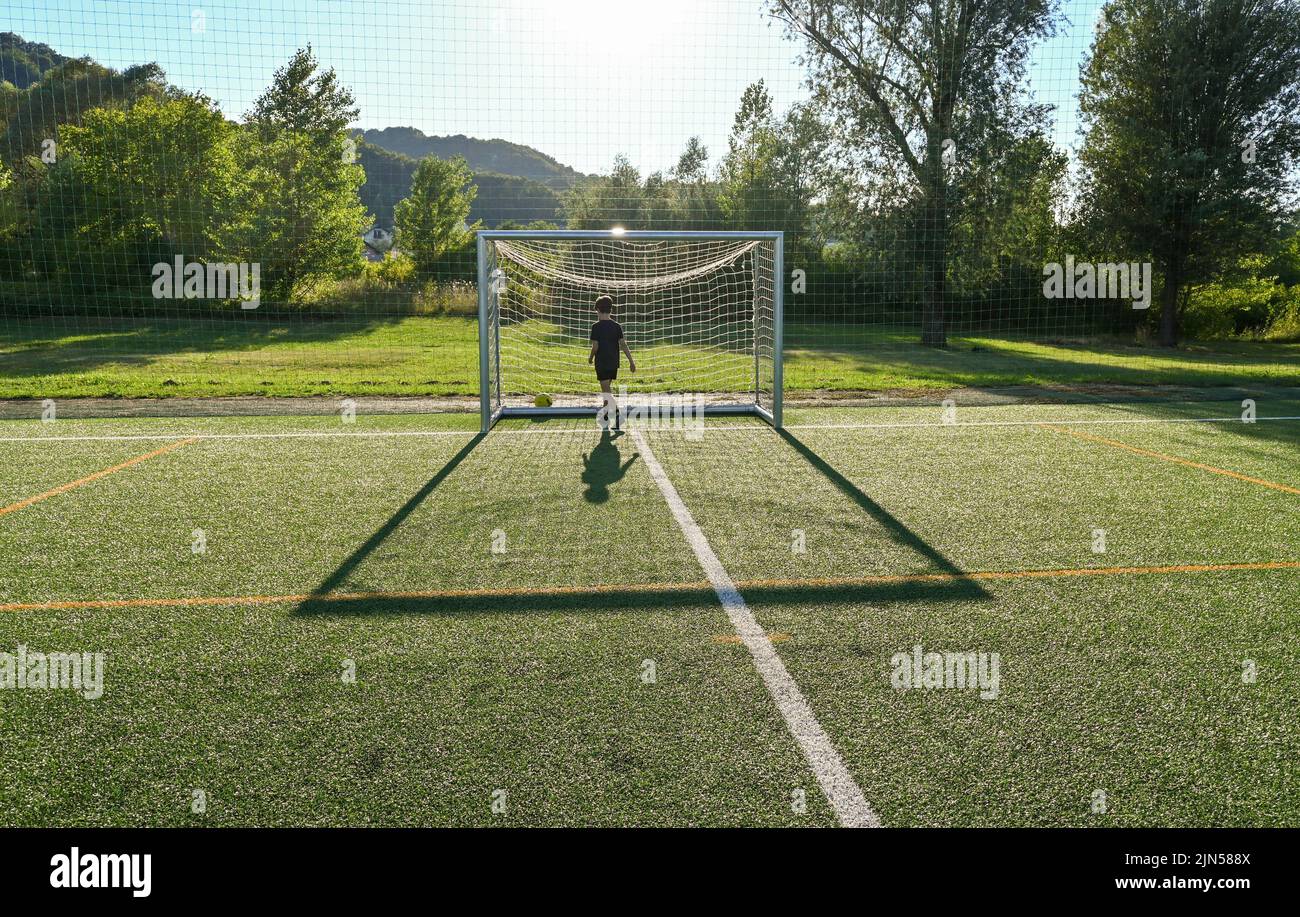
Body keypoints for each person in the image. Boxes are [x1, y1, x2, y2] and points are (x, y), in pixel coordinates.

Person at [587, 294, 635, 428]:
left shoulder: (596, 327)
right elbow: (623, 344)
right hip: (614, 363)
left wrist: (590, 358)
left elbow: (595, 346)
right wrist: (631, 361)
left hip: (602, 362)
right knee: (606, 390)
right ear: (611, 309)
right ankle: (606, 416)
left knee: (606, 392)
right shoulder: (617, 326)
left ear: (597, 309)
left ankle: (619, 415)